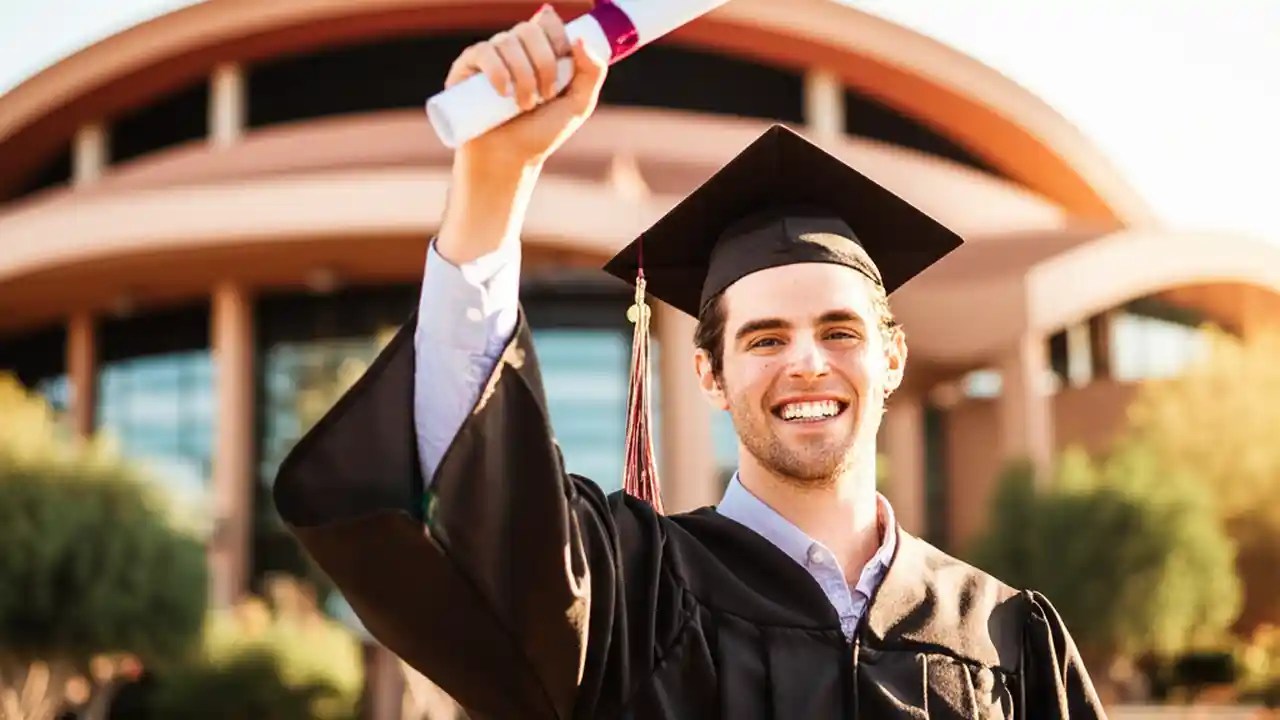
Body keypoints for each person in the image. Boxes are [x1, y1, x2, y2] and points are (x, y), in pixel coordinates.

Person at [274, 6, 1107, 718]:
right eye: (765, 338)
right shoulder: (633, 596)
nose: (808, 363)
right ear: (709, 374)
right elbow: (473, 489)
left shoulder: (1008, 637)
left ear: (893, 356)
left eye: (841, 331)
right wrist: (495, 182)